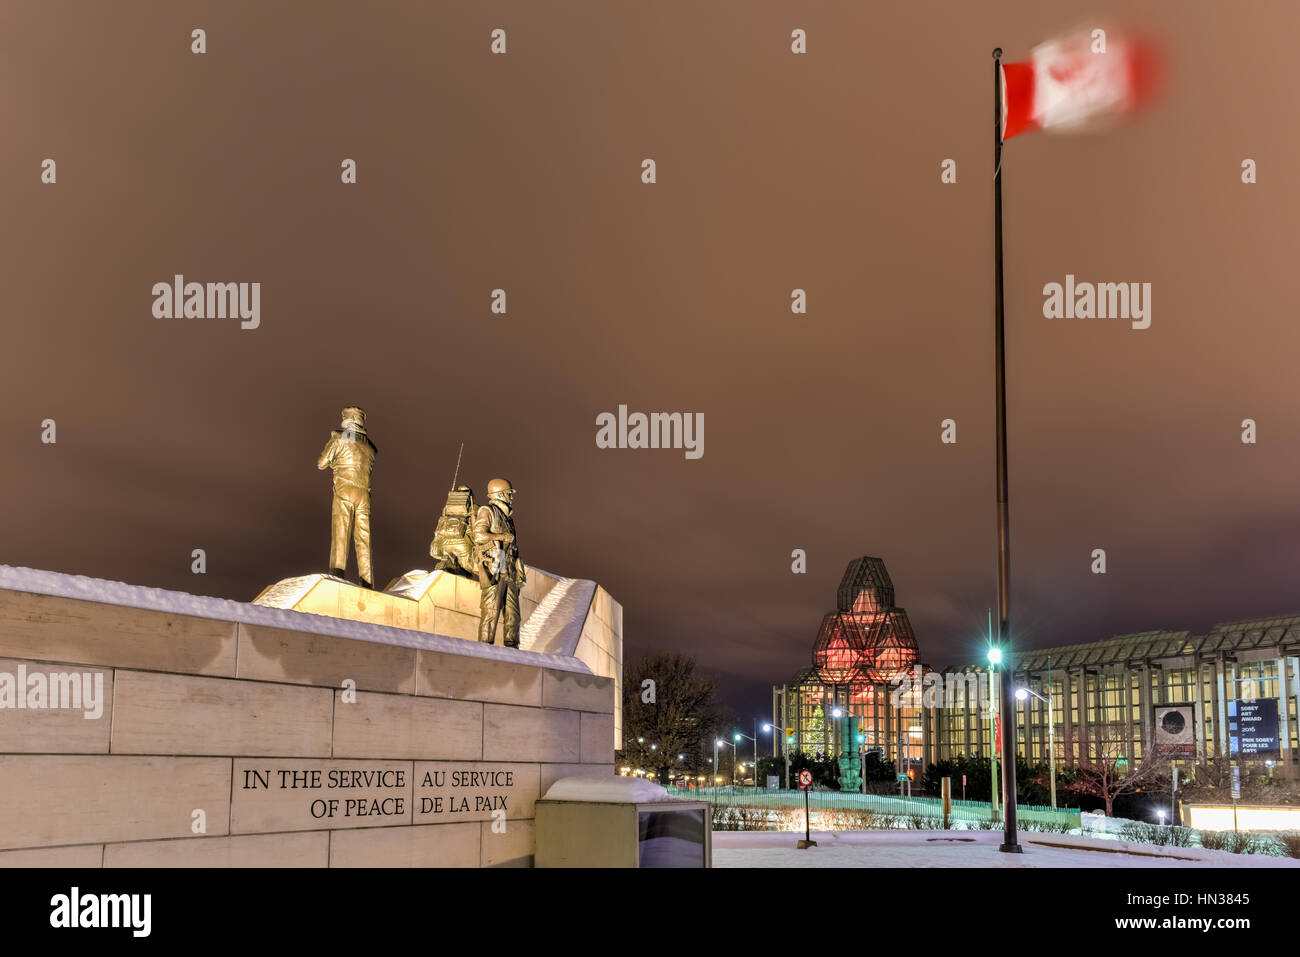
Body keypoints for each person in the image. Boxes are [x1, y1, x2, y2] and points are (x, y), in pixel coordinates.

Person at [317, 407, 377, 589]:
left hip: (344, 490)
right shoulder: (370, 448)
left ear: (346, 419)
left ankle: (337, 573)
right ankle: (367, 582)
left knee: (341, 533)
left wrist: (336, 462)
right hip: (364, 495)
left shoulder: (339, 438)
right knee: (364, 539)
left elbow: (321, 463)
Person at [472, 478, 526, 646]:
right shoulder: (487, 511)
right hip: (495, 567)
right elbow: (479, 535)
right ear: (500, 494)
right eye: (509, 494)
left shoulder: (508, 518)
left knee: (513, 613)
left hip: (510, 568)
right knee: (491, 609)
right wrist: (501, 537)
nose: (511, 497)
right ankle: (485, 646)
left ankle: (512, 646)